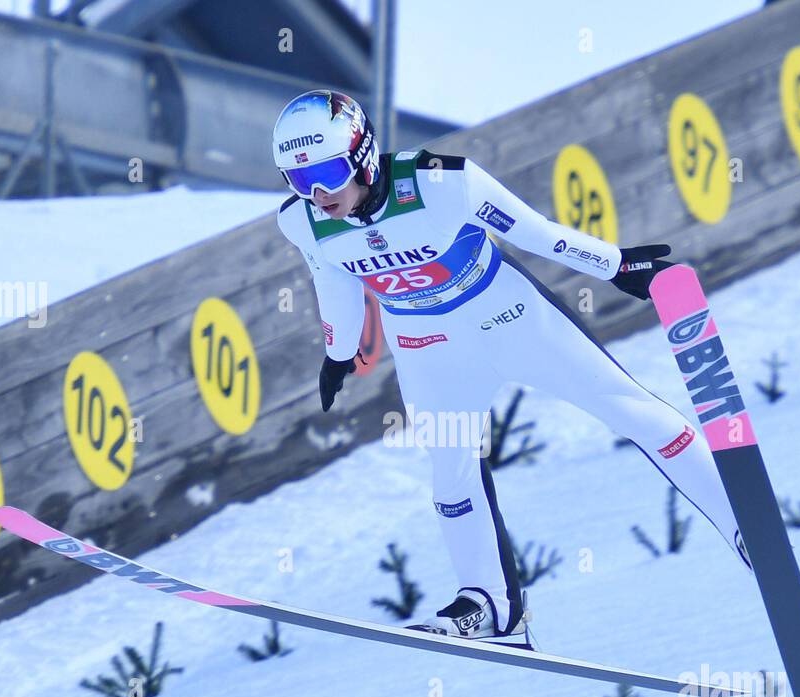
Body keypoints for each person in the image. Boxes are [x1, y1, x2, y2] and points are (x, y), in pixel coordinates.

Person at [273, 90, 750, 649]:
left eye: (327, 173)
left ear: (362, 154)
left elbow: (535, 231)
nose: (317, 194)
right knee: (450, 475)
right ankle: (489, 603)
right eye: (298, 180)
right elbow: (334, 282)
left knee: (630, 411)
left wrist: (616, 266)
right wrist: (337, 353)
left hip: (511, 318)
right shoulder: (302, 222)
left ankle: (744, 524)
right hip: (429, 348)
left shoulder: (440, 182)